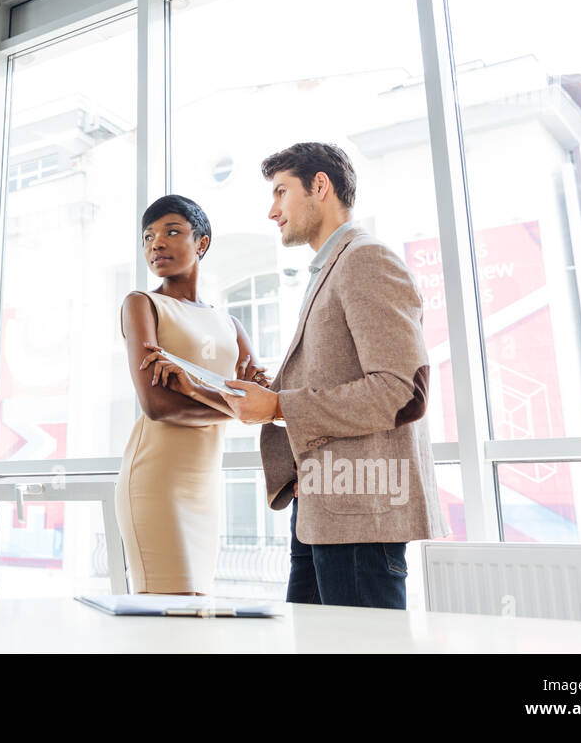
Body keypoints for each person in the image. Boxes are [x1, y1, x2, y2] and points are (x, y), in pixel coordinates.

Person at [219, 142, 450, 610]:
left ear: (319, 185)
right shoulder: (330, 266)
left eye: (281, 192)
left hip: (361, 515)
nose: (272, 211)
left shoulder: (366, 259)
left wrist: (282, 407)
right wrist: (271, 393)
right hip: (323, 504)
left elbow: (403, 392)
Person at [114, 194, 270, 595]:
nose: (156, 244)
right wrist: (240, 408)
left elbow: (267, 399)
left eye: (171, 232)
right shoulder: (142, 305)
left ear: (202, 242)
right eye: (147, 237)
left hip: (205, 482)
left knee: (193, 612)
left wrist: (196, 388)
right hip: (156, 478)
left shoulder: (230, 323)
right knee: (166, 611)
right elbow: (158, 406)